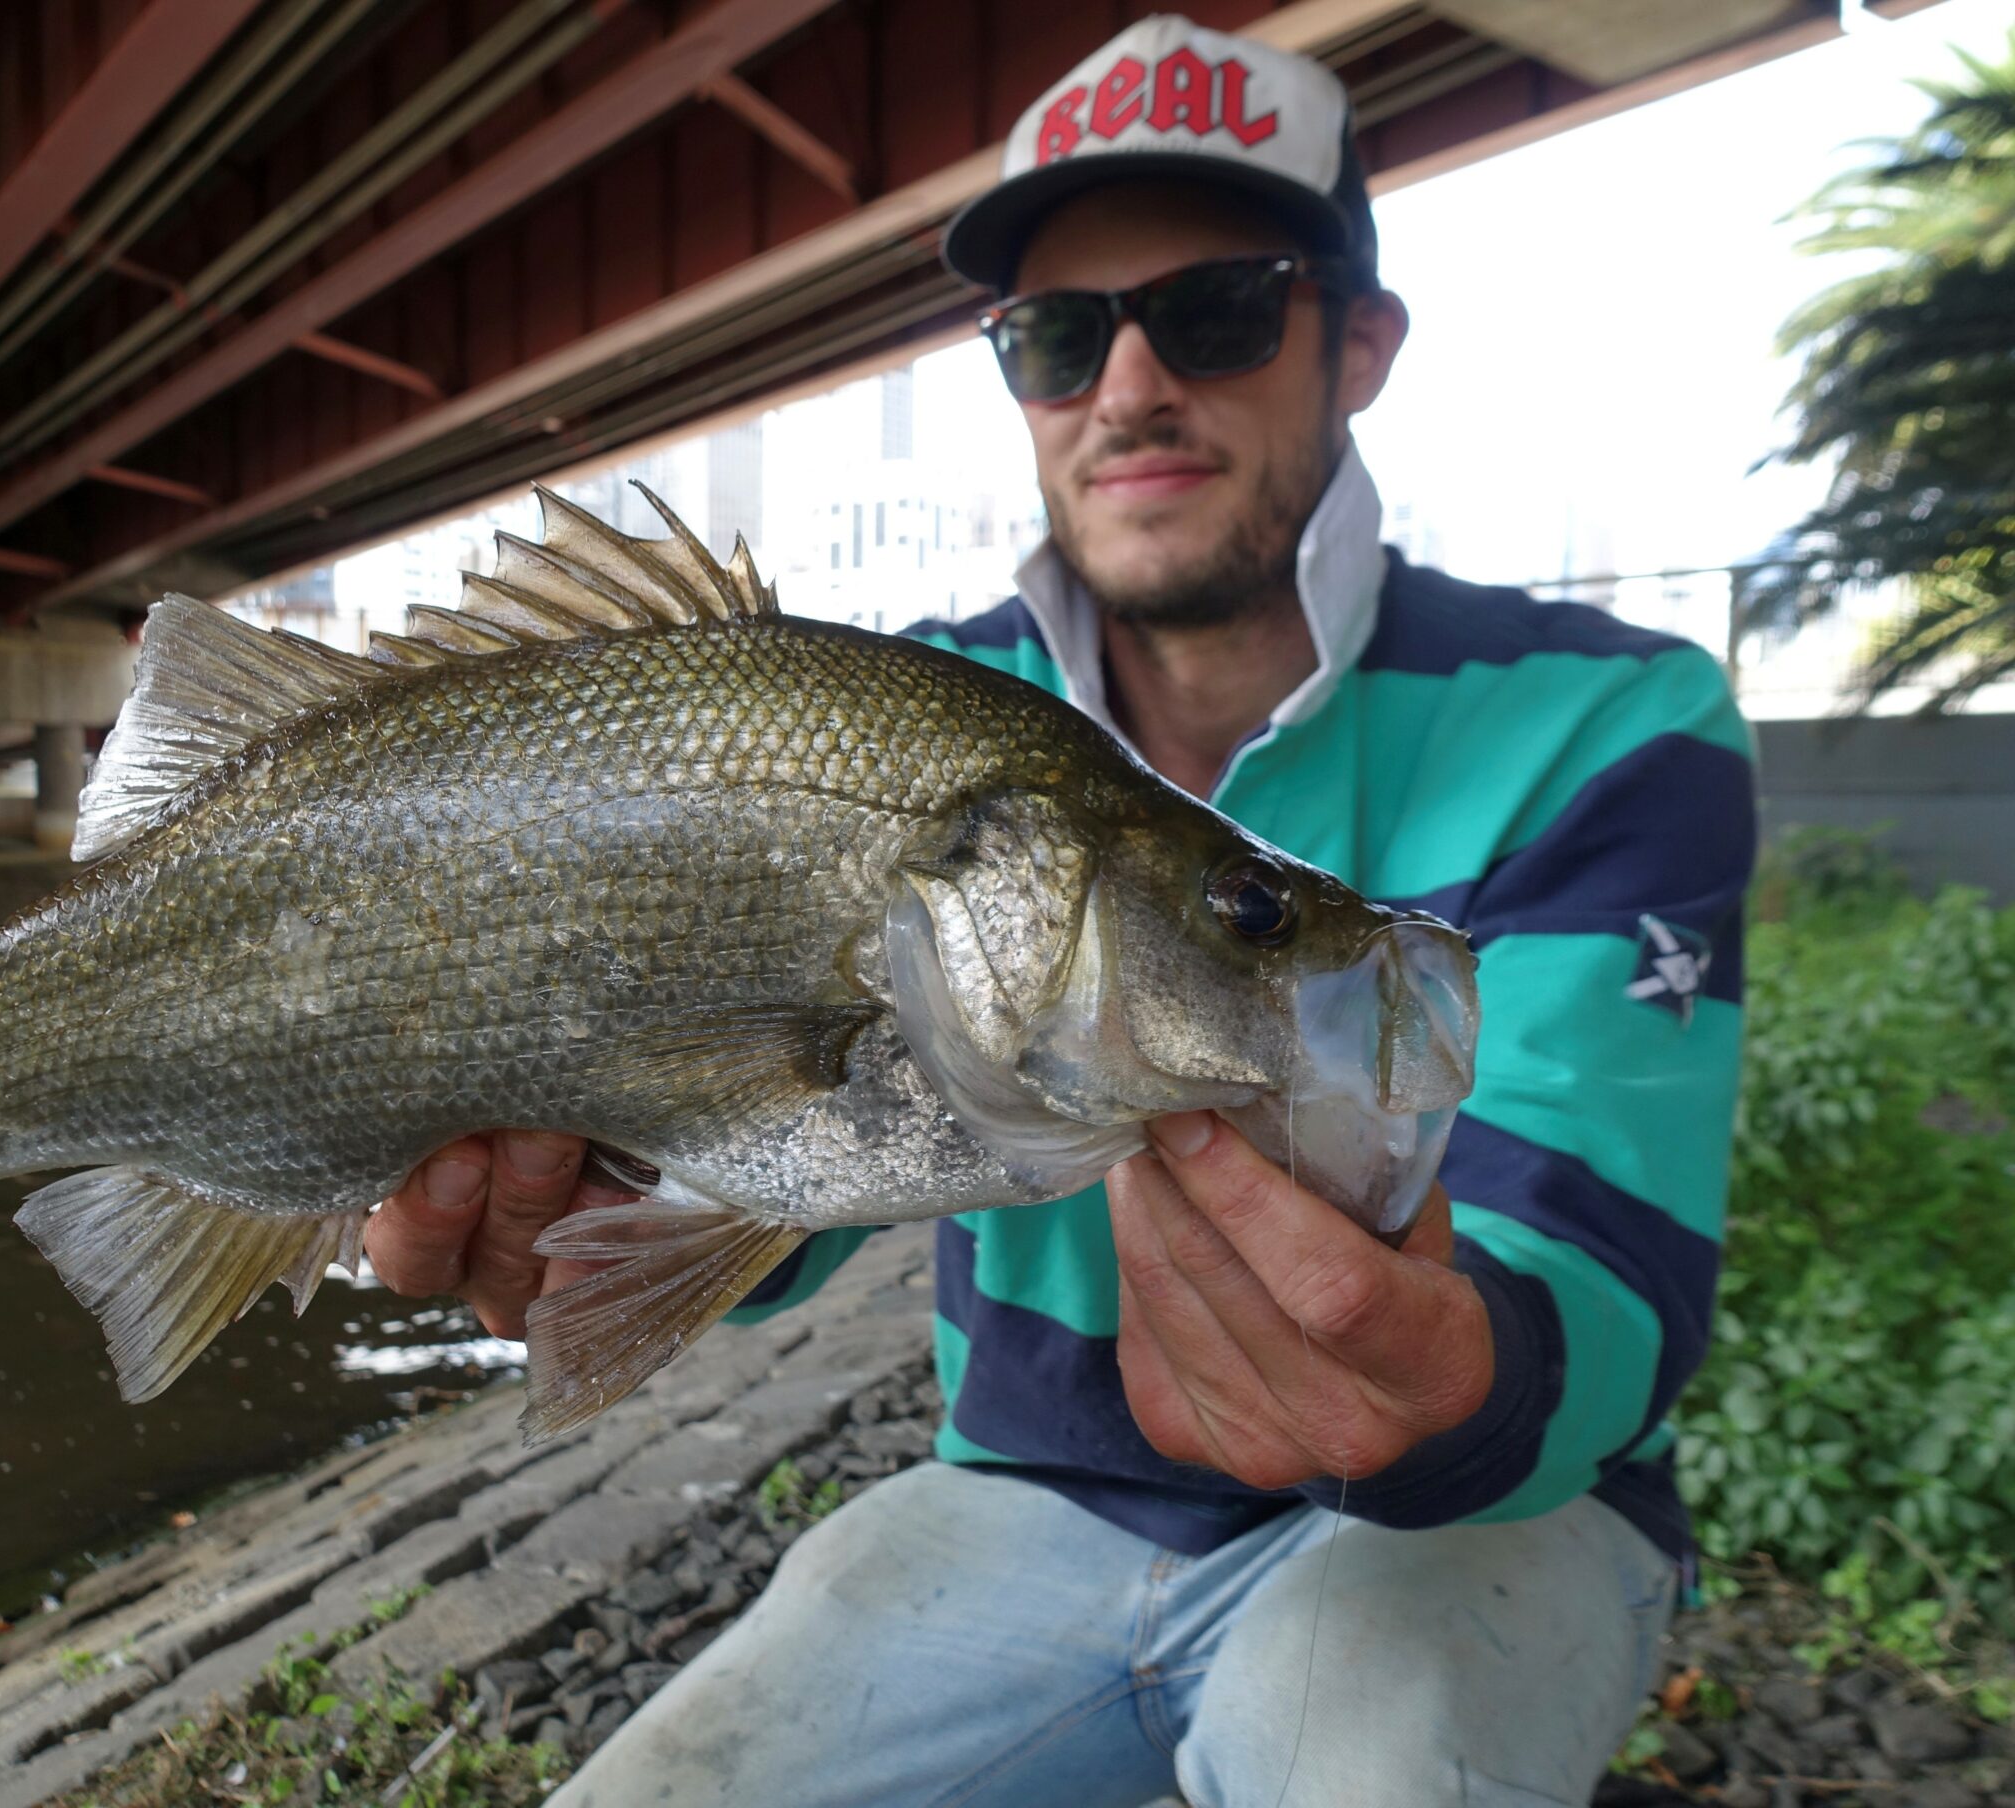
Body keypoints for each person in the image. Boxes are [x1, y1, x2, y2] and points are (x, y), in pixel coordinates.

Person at [365, 15, 1755, 1805]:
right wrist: (601, 1203)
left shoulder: (1607, 713)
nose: (1129, 386)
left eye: (1220, 312)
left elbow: (1606, 1246)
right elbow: (785, 1189)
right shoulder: (909, 700)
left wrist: (1458, 1389)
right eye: (1056, 333)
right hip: (1021, 1496)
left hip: (1493, 1515)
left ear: (1362, 343)